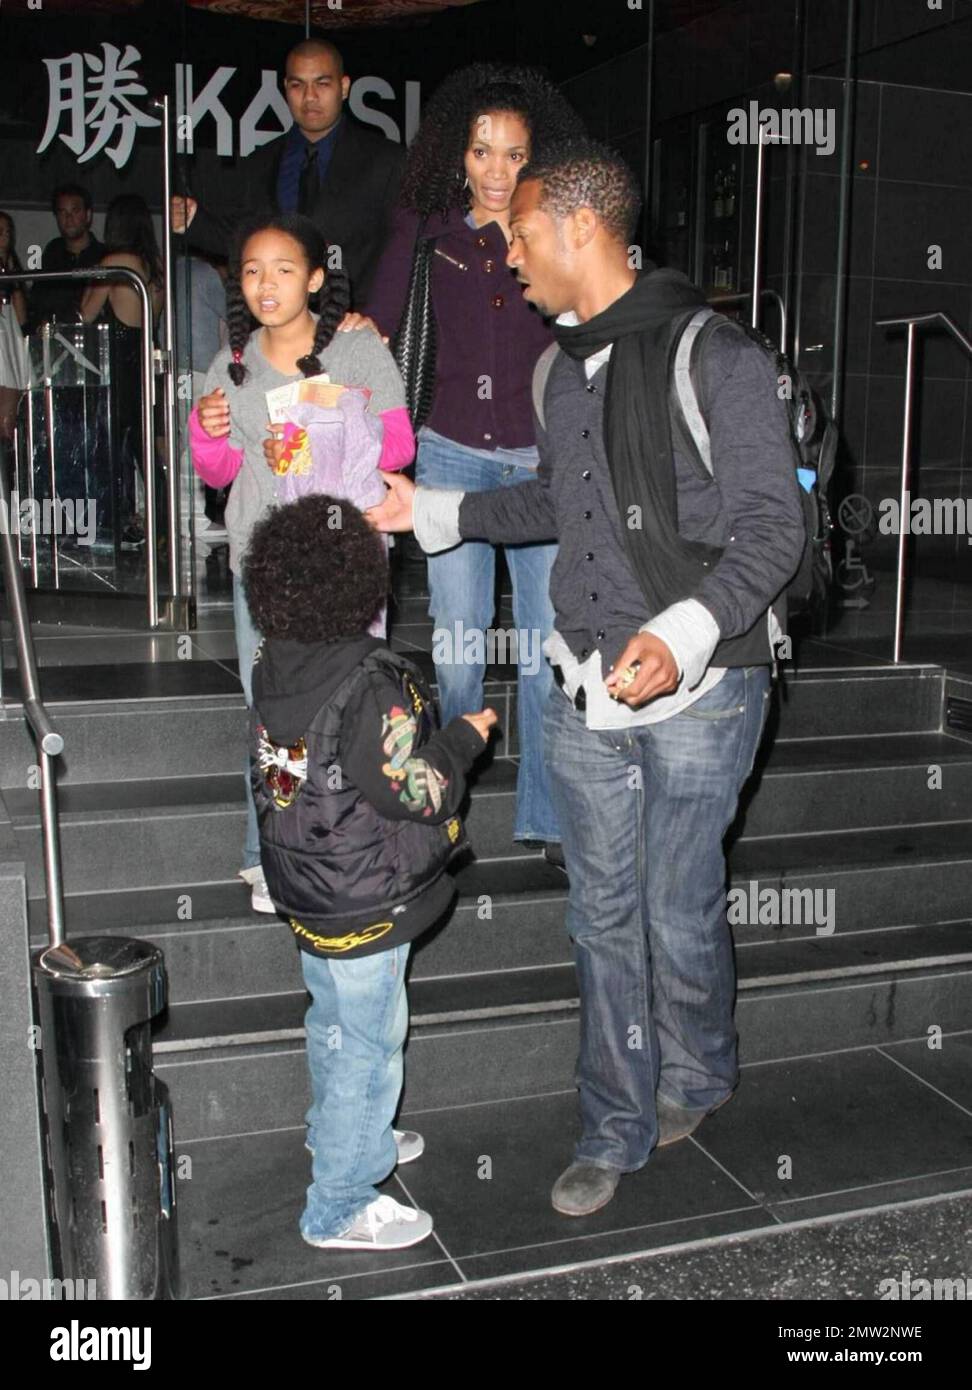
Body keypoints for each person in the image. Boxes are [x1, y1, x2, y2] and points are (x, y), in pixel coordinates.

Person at [368, 139, 806, 1217]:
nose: (505, 254)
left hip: (709, 688)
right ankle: (614, 1120)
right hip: (584, 683)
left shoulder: (717, 354)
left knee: (677, 900)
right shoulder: (556, 368)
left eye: (517, 234)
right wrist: (432, 509)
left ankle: (697, 1071)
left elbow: (773, 526)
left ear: (578, 227)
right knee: (602, 913)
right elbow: (557, 505)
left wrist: (690, 627)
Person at [243, 493, 495, 1249]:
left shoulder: (270, 665)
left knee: (330, 1023)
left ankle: (345, 1136)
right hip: (365, 901)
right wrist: (460, 739)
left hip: (307, 890)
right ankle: (341, 1204)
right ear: (359, 583)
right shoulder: (370, 683)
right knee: (369, 1046)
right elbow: (415, 791)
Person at [357, 64, 586, 864]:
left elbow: (594, 327)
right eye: (483, 152)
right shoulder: (429, 229)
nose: (496, 171)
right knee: (457, 650)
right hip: (449, 458)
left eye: (514, 155)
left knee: (543, 647)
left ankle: (547, 820)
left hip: (538, 467)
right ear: (459, 156)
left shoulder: (556, 234)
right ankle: (442, 809)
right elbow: (374, 324)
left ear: (537, 159)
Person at [189, 212, 415, 914]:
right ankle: (266, 853)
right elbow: (219, 471)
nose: (266, 284)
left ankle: (358, 837)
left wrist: (332, 424)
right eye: (252, 270)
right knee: (270, 711)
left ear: (317, 278)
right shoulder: (230, 363)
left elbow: (399, 450)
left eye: (284, 269)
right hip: (265, 563)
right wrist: (206, 430)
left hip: (346, 564)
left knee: (354, 705)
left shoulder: (356, 350)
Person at [173, 37, 404, 307]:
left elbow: (402, 253)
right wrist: (192, 222)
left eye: (322, 83)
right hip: (276, 330)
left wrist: (379, 321)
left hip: (354, 329)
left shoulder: (385, 161)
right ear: (285, 88)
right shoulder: (260, 163)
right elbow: (245, 236)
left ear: (343, 87)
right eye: (297, 85)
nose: (309, 97)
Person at [81, 194, 165, 550]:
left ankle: (112, 526)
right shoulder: (156, 267)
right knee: (147, 451)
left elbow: (85, 313)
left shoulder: (115, 261)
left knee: (115, 447)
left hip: (120, 363)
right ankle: (160, 526)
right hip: (148, 359)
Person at [27, 184, 104, 329]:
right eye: (62, 212)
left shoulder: (103, 256)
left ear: (88, 215)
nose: (68, 218)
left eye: (75, 211)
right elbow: (38, 304)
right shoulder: (51, 254)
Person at [0, 211, 29, 440]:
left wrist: (11, 273)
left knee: (8, 423)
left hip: (9, 343)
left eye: (8, 232)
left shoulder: (11, 269)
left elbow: (21, 318)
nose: (4, 238)